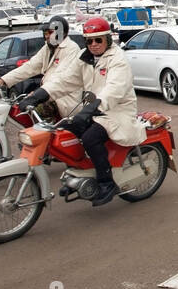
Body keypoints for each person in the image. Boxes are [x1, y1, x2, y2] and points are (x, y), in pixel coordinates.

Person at [21, 16, 143, 207]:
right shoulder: (85, 58)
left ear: (108, 39)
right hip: (94, 109)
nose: (93, 45)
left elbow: (114, 90)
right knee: (65, 133)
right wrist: (38, 95)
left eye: (98, 40)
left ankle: (106, 182)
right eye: (89, 41)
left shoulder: (118, 60)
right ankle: (78, 175)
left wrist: (92, 109)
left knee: (90, 138)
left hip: (116, 111)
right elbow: (65, 80)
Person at [0, 15, 79, 118]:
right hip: (47, 94)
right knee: (17, 112)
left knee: (28, 115)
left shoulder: (72, 49)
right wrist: (4, 80)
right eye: (46, 33)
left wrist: (38, 94)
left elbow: (59, 78)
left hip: (63, 99)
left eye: (51, 33)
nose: (47, 36)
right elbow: (30, 66)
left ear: (62, 33)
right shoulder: (48, 48)